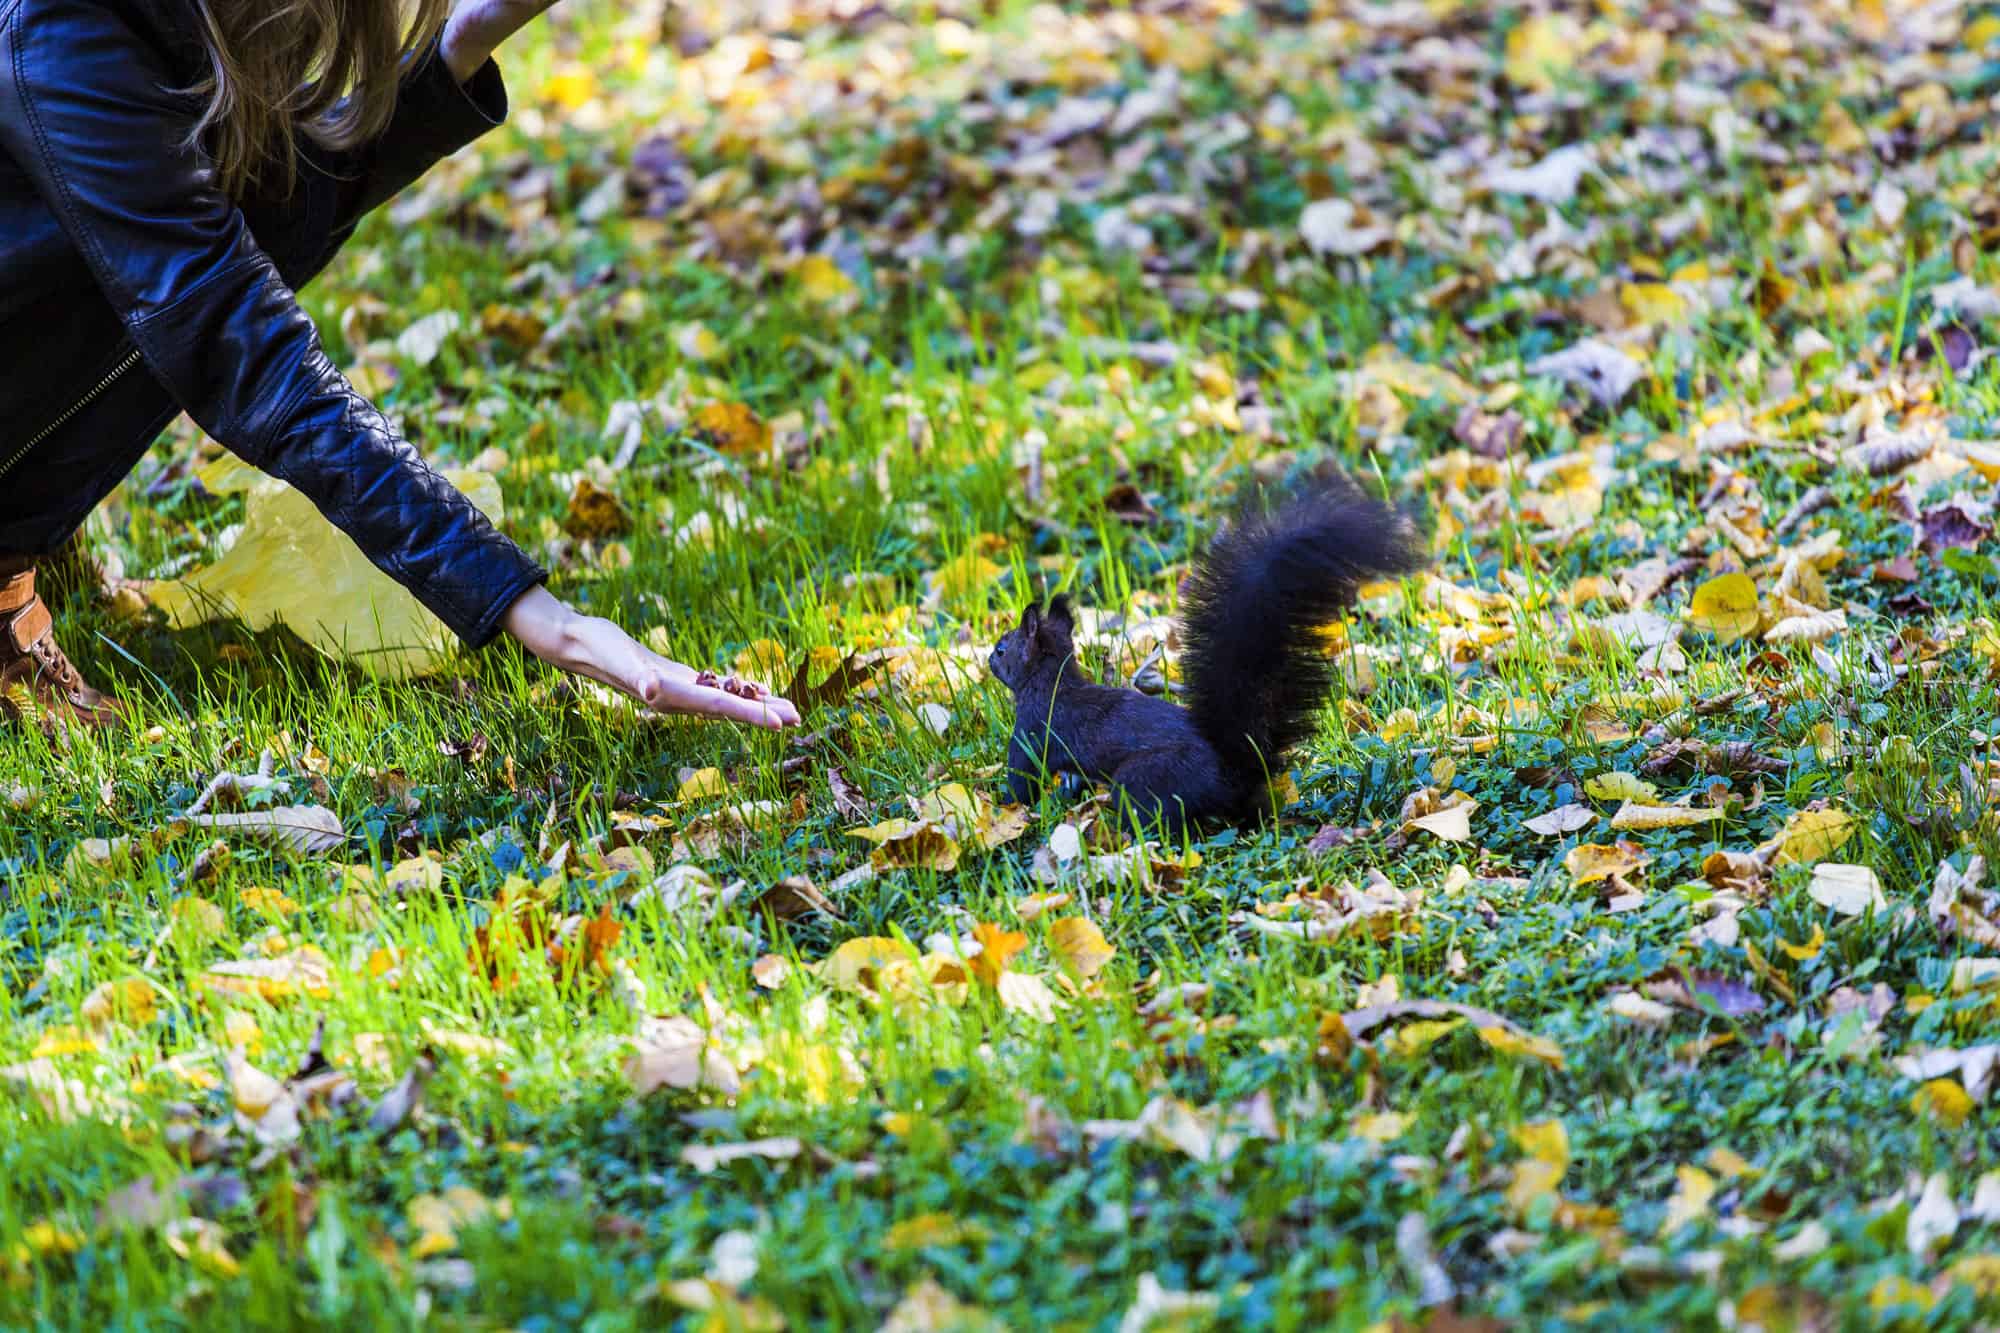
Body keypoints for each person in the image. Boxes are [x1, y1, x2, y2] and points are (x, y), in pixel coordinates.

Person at [0, 0, 800, 732]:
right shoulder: (60, 30)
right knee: (189, 279)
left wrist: (461, 48)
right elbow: (238, 342)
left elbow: (269, 214)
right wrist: (546, 619)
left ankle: (29, 537)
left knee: (204, 213)